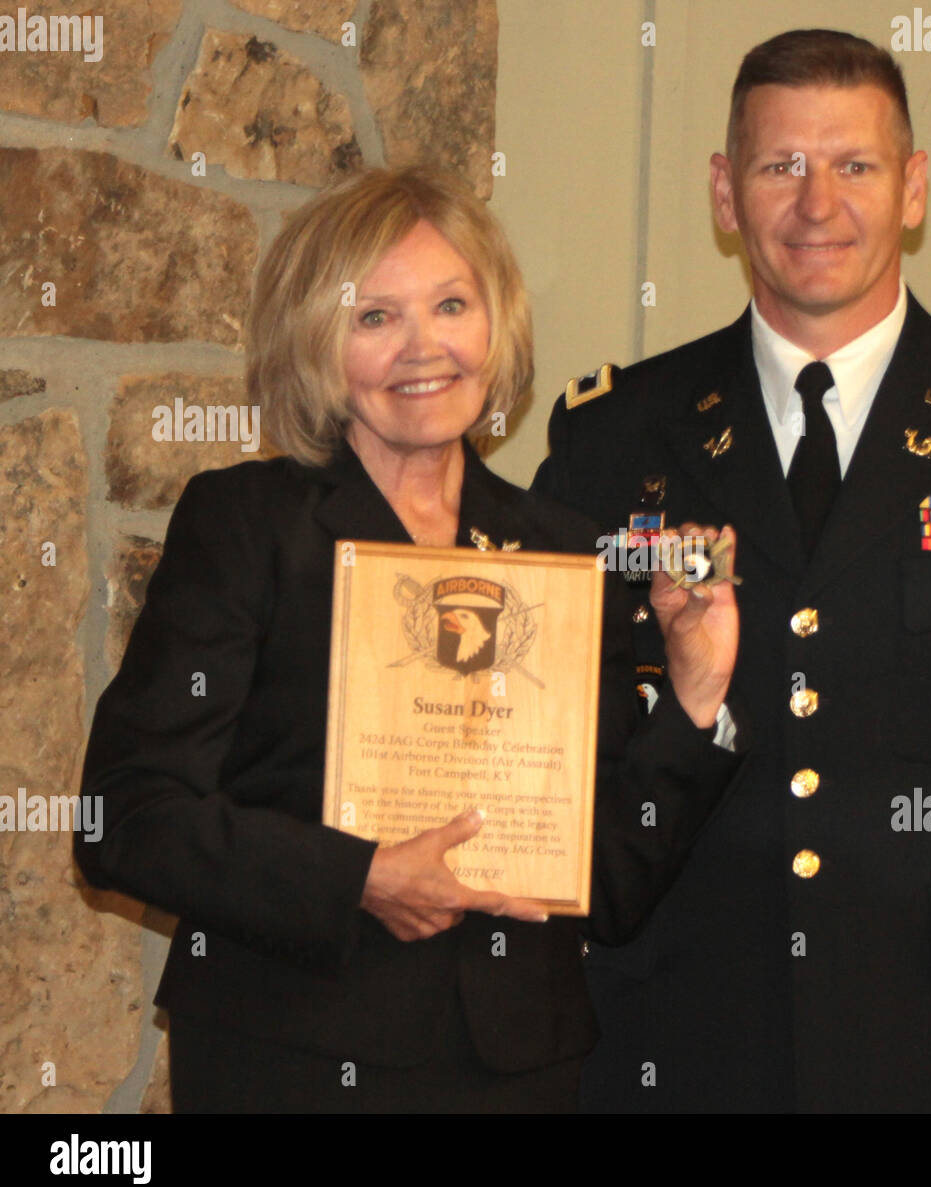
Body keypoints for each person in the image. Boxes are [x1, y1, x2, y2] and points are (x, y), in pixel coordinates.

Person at [532, 28, 931, 1112]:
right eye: (781, 166)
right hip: (678, 1039)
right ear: (725, 195)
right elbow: (566, 765)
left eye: (854, 165)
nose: (816, 204)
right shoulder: (613, 439)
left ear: (912, 189)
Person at [75, 164, 741, 1112]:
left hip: (518, 1068)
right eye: (374, 317)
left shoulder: (556, 548)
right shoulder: (247, 524)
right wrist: (358, 878)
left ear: (495, 324)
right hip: (290, 1061)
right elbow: (125, 819)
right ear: (316, 342)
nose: (423, 348)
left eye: (452, 305)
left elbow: (614, 881)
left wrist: (695, 693)